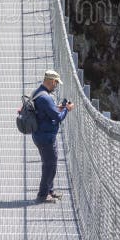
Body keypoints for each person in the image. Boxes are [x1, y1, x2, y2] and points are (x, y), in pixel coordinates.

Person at [31, 69, 74, 203]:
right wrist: (67, 109)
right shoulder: (45, 97)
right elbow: (58, 117)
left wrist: (59, 107)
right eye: (56, 83)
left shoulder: (38, 93)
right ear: (51, 81)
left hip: (41, 134)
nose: (56, 86)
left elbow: (48, 111)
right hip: (45, 137)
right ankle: (43, 195)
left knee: (51, 164)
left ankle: (49, 191)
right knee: (49, 165)